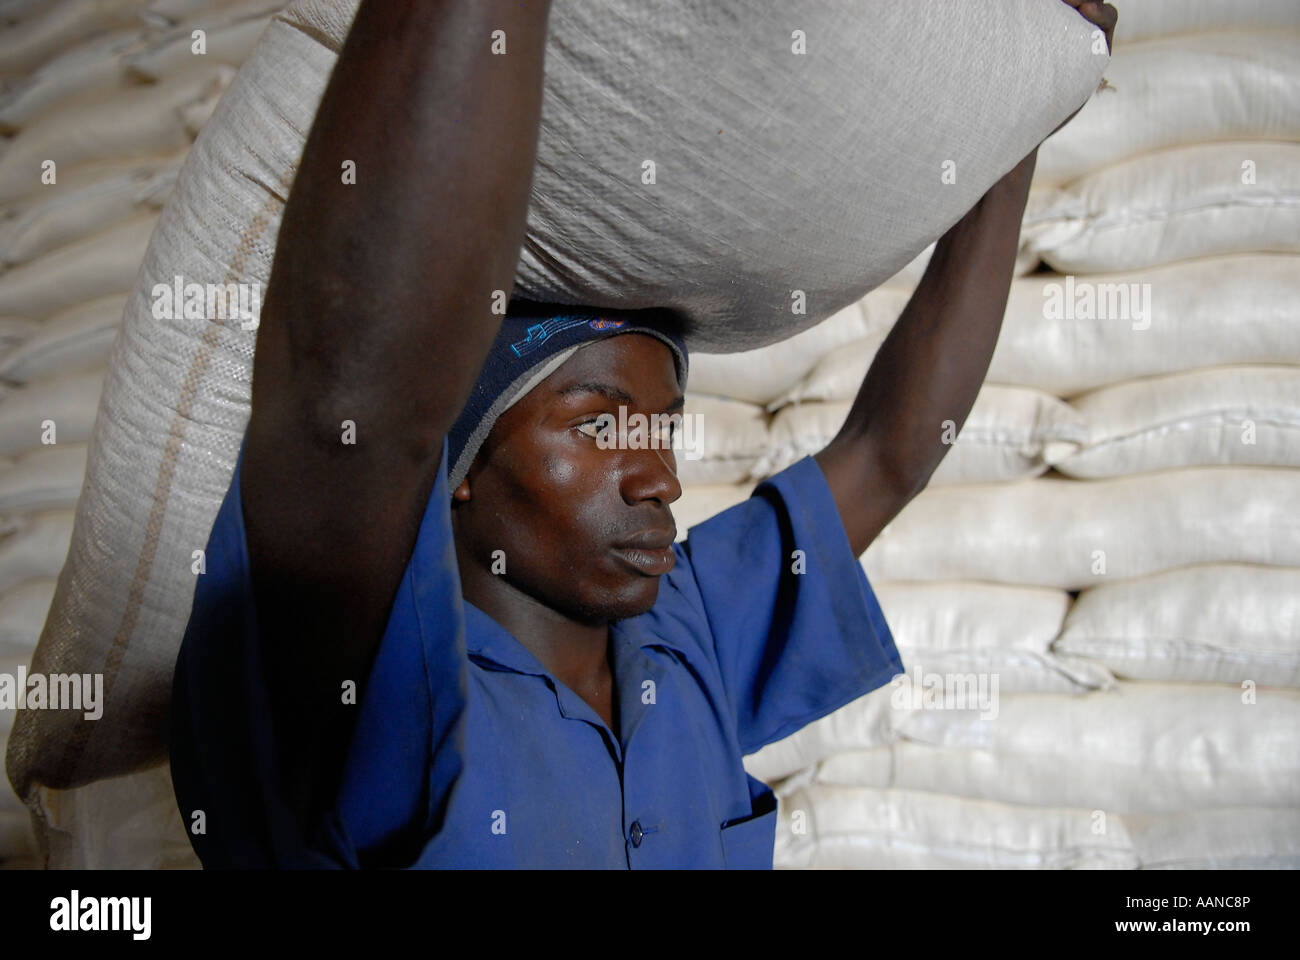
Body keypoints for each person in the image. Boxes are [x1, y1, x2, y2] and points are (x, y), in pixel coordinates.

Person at [170, 0, 1117, 868]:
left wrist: (1026, 105)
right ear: (455, 464)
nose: (658, 478)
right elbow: (352, 409)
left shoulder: (688, 634)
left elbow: (889, 451)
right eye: (595, 427)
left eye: (660, 426)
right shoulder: (377, 681)